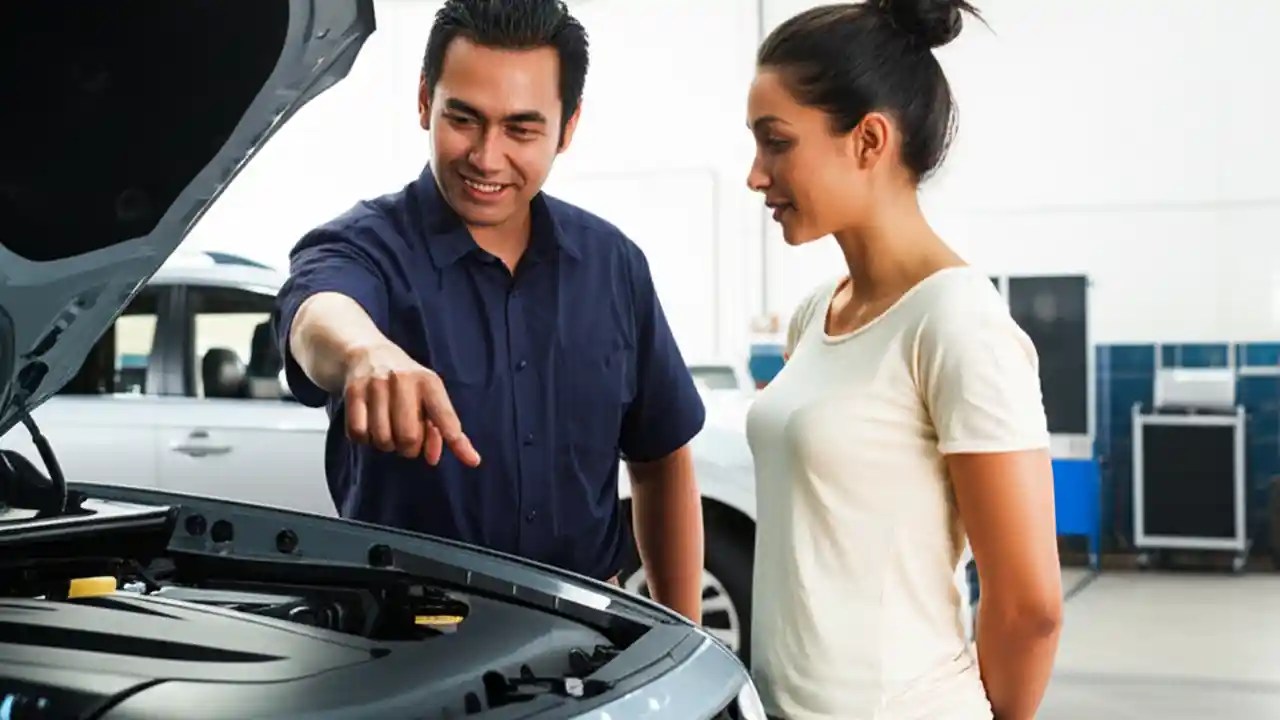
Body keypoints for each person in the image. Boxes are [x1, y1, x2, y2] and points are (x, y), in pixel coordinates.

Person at [271, 0, 706, 622]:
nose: (486, 157)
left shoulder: (615, 266)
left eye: (522, 129)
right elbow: (316, 315)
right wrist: (365, 354)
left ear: (569, 125)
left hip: (583, 640)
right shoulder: (364, 244)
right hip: (405, 646)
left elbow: (661, 460)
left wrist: (685, 638)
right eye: (464, 119)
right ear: (425, 100)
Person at [743, 2, 1063, 718]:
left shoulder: (956, 322)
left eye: (776, 142)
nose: (756, 175)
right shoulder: (816, 312)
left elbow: (1030, 605)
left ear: (868, 140)